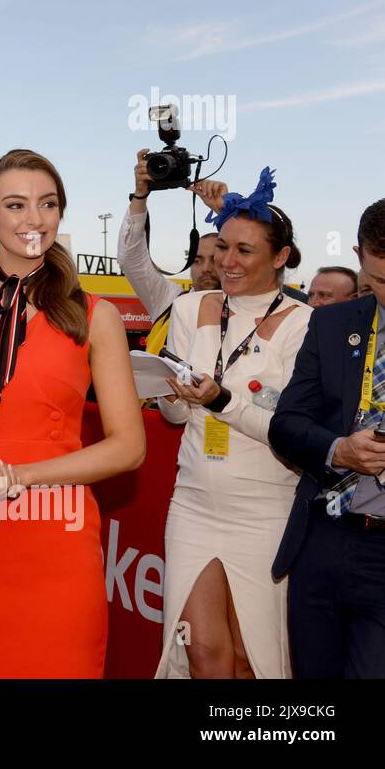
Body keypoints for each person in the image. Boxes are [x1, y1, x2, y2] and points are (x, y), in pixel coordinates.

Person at [0, 148, 145, 678]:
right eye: (15, 205)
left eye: (47, 204)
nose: (33, 219)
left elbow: (129, 448)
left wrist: (22, 476)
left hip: (58, 542)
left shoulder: (96, 316)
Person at [152, 168, 312, 679]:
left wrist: (222, 401)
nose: (227, 261)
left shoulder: (306, 324)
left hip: (266, 512)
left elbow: (293, 433)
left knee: (252, 659)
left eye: (244, 250)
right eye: (223, 246)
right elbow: (174, 414)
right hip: (193, 502)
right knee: (202, 652)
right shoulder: (190, 306)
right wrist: (174, 397)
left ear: (280, 257)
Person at [270, 198, 385, 678]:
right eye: (379, 281)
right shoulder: (334, 323)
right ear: (359, 256)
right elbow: (287, 424)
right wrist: (339, 450)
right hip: (323, 539)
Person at [118, 150, 226, 353]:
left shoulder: (244, 306)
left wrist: (226, 209)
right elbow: (130, 260)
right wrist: (140, 194)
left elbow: (259, 250)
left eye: (215, 260)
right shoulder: (170, 300)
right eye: (197, 260)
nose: (206, 269)